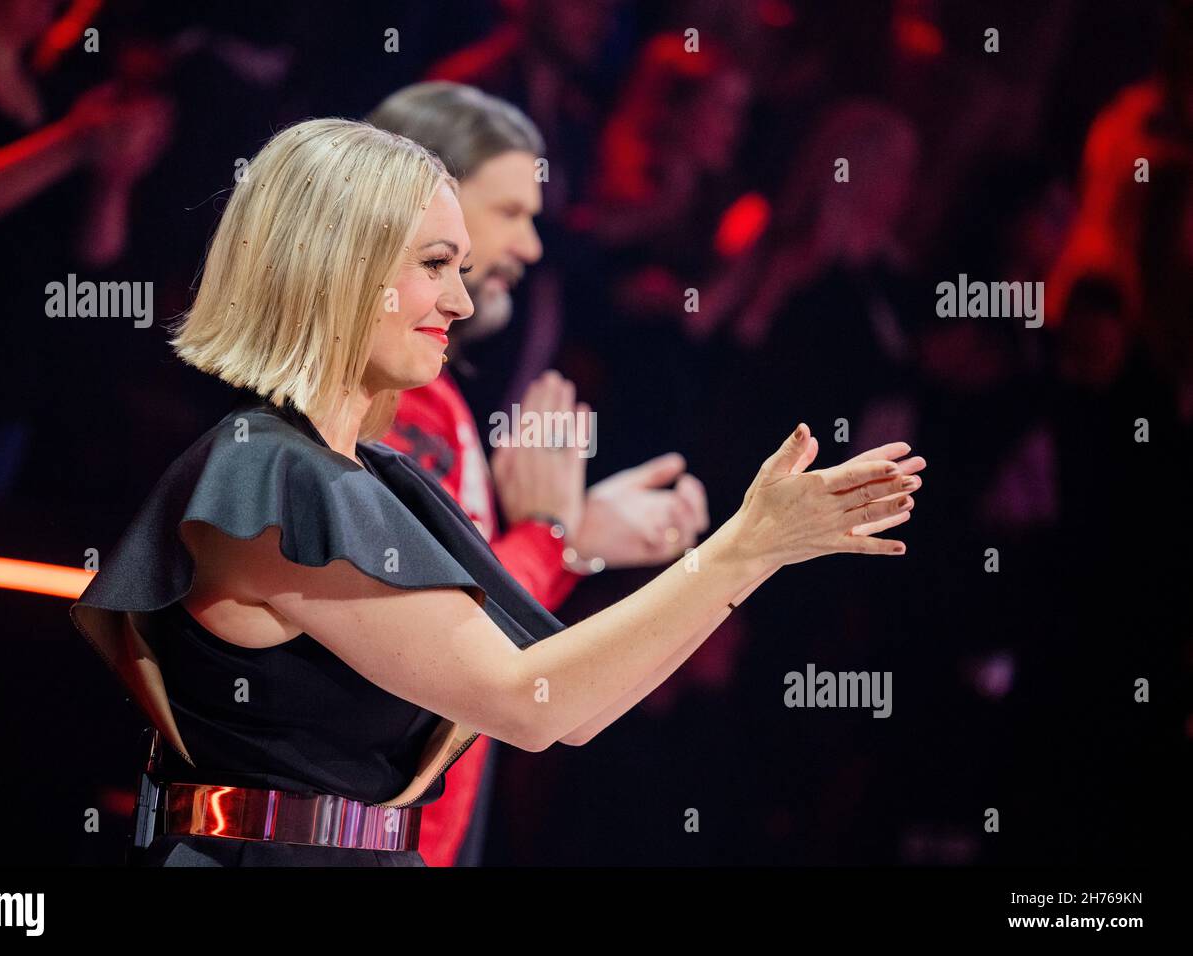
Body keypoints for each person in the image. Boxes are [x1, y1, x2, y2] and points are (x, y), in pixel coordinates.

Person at [70, 116, 926, 867]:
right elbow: (532, 703)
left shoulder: (376, 477)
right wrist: (747, 544)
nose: (458, 296)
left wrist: (753, 553)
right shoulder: (271, 475)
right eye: (436, 264)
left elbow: (571, 705)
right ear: (336, 267)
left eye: (462, 265)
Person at [367, 80, 723, 866]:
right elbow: (445, 648)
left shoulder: (434, 398)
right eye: (511, 215)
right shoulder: (392, 404)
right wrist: (554, 539)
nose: (532, 247)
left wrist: (580, 534)